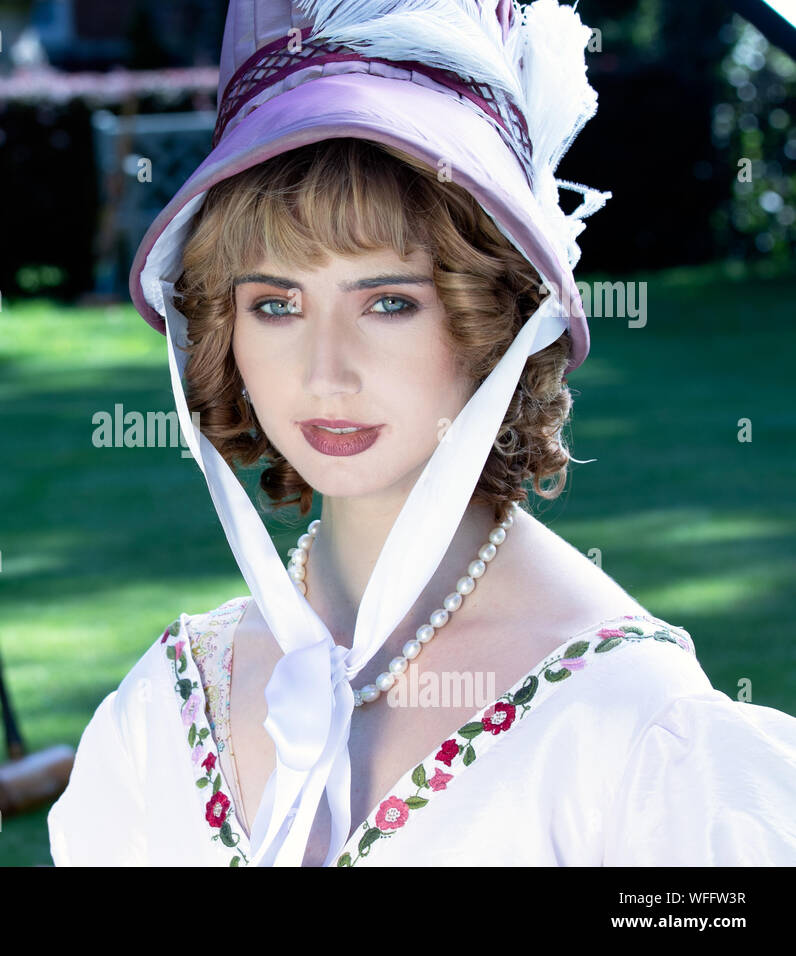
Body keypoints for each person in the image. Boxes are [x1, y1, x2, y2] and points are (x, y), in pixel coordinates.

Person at [47, 0, 796, 866]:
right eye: (276, 303)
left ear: (498, 320)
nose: (327, 372)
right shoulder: (165, 716)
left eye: (389, 301)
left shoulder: (637, 739)